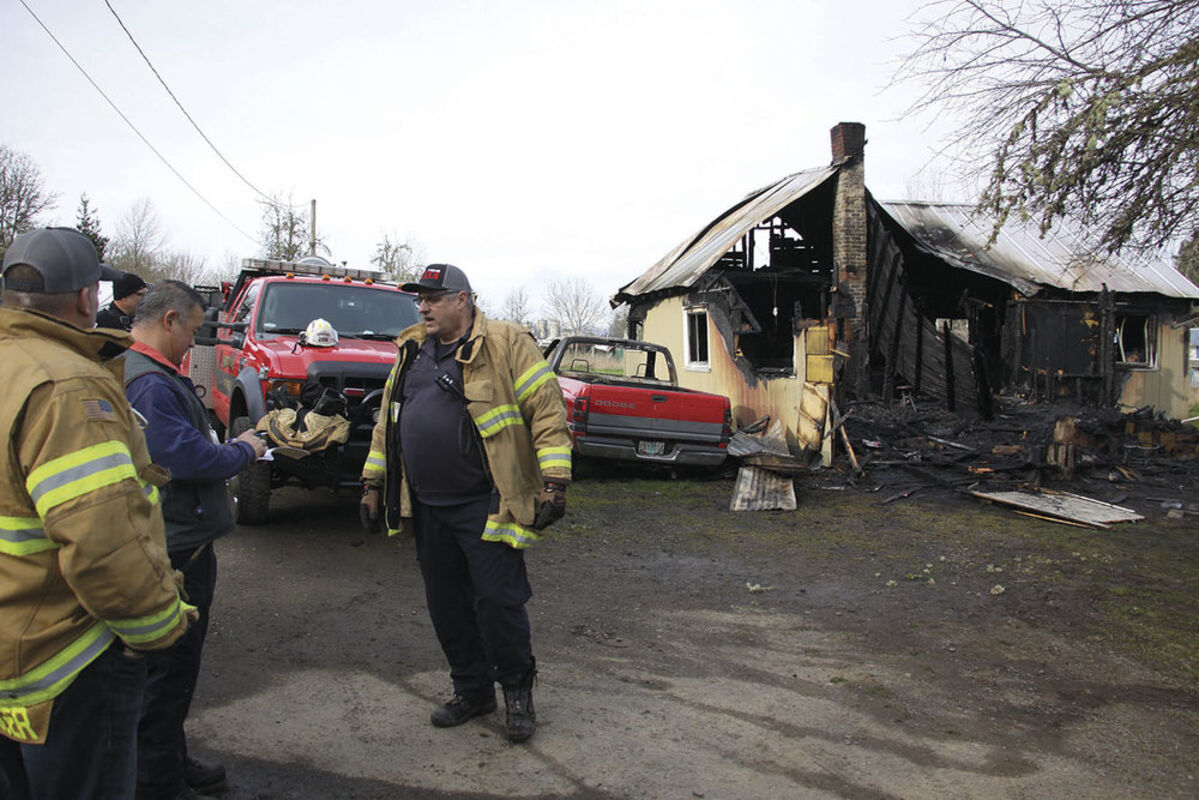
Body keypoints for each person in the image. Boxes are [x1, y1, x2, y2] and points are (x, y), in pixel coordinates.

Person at [0, 228, 193, 800]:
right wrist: (158, 628)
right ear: (87, 299)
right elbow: (104, 540)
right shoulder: (68, 384)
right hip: (67, 664)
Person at [360, 264, 572, 743]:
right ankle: (472, 691)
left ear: (462, 300)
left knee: (498, 603)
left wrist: (556, 481)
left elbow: (547, 410)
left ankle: (517, 691)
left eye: (432, 298)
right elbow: (386, 427)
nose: (423, 307)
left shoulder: (507, 342)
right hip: (428, 506)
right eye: (420, 299)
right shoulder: (411, 351)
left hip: (488, 503)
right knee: (447, 607)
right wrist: (372, 485)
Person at [124, 280, 268, 800]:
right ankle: (157, 782)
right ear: (168, 321)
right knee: (167, 671)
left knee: (175, 672)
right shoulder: (151, 385)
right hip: (175, 549)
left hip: (180, 540)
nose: (193, 342)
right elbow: (182, 458)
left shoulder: (150, 375)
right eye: (190, 329)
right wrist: (245, 450)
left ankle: (169, 759)